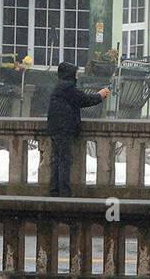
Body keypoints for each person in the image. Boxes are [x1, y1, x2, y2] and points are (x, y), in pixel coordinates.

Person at [46, 61, 110, 197]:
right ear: (70, 75)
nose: (77, 77)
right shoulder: (68, 88)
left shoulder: (59, 87)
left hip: (55, 128)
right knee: (64, 161)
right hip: (64, 129)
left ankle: (55, 191)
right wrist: (100, 95)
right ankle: (64, 193)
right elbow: (85, 100)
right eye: (75, 74)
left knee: (57, 160)